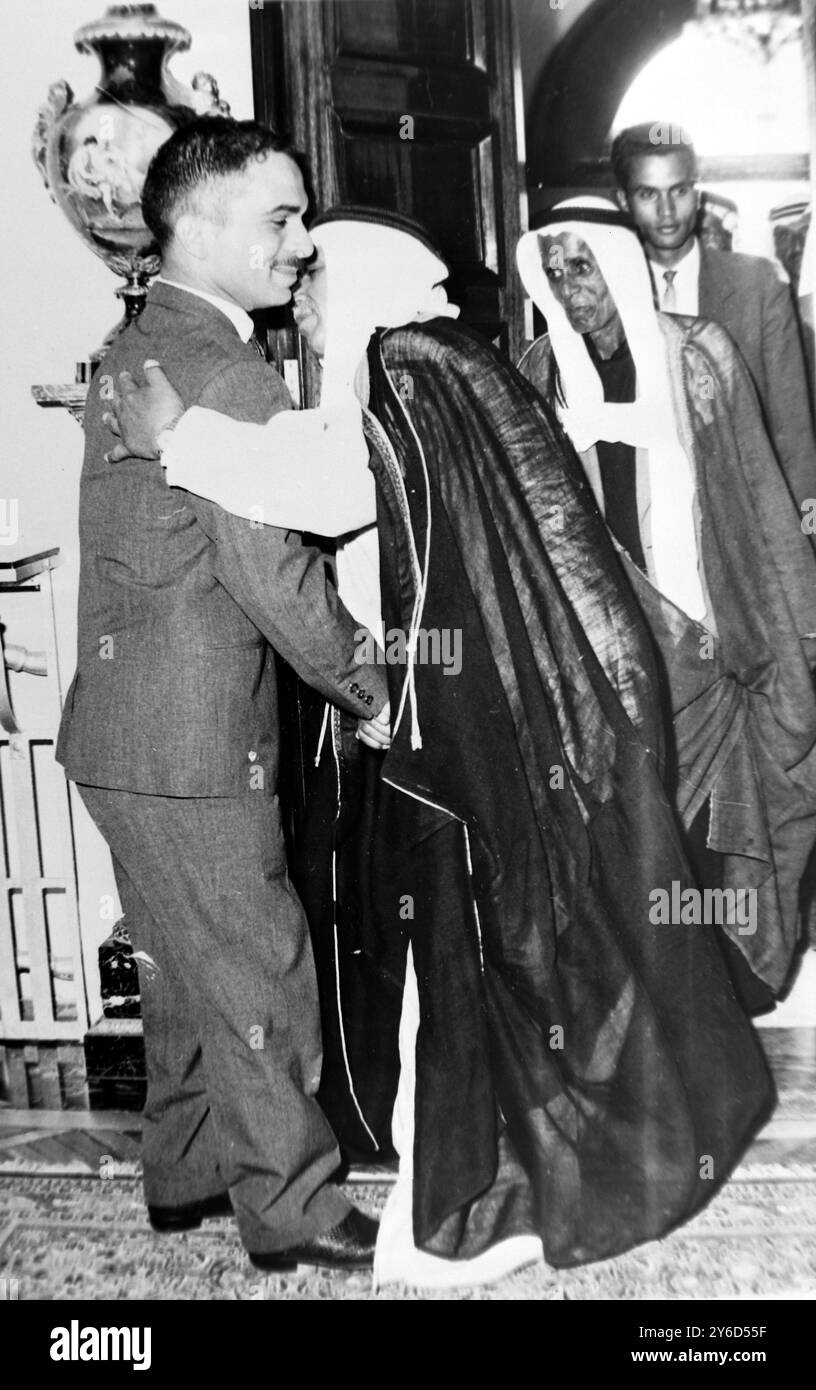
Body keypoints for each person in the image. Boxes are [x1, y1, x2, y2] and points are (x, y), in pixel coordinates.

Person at [106, 205, 773, 1288]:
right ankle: (462, 1187)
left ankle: (480, 1203)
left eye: (319, 278)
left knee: (487, 957)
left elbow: (335, 489)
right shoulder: (410, 356)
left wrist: (185, 439)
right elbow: (348, 489)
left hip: (486, 715)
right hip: (464, 707)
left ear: (365, 280)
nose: (305, 301)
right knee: (467, 962)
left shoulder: (412, 357)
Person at [57, 118, 392, 1272]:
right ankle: (292, 1207)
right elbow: (275, 572)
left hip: (119, 734)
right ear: (198, 227)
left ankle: (186, 1175)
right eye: (281, 218)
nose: (301, 242)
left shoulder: (141, 337)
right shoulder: (222, 369)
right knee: (259, 963)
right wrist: (369, 682)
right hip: (193, 743)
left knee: (185, 972)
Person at [517, 196, 816, 1009]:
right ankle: (657, 1017)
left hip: (706, 649)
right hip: (598, 659)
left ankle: (726, 996)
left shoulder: (697, 357)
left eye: (583, 267)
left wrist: (790, 635)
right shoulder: (540, 373)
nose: (572, 290)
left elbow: (756, 500)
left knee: (716, 832)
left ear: (618, 263)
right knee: (627, 845)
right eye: (554, 273)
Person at [611, 123, 816, 516]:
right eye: (648, 194)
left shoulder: (757, 286)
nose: (667, 211)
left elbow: (794, 435)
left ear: (697, 192)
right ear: (623, 199)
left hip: (744, 517)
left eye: (680, 191)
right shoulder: (611, 292)